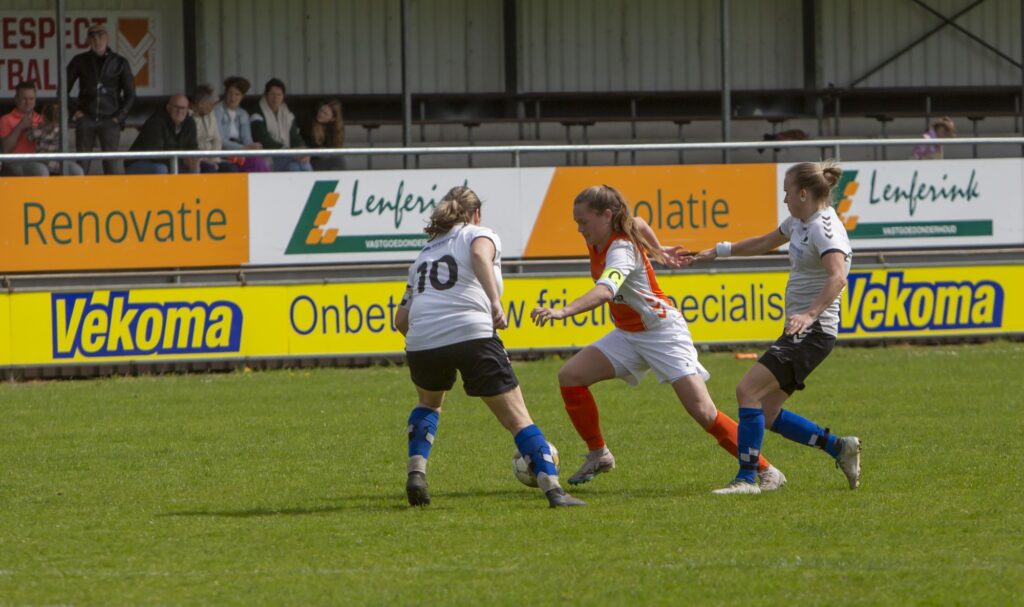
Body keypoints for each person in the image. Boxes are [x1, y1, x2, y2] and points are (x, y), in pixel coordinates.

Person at [529, 185, 786, 491]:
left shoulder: (621, 249)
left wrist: (564, 311)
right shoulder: (611, 232)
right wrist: (660, 249)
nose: (578, 228)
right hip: (629, 334)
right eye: (576, 221)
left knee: (704, 413)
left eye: (583, 221)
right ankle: (599, 454)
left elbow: (605, 291)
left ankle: (767, 471)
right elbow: (639, 222)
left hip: (662, 333)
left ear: (607, 216)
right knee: (570, 376)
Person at [394, 186, 585, 509]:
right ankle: (554, 490)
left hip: (422, 339)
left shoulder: (424, 254)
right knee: (518, 418)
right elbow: (480, 256)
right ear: (476, 214)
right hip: (471, 331)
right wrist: (495, 303)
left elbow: (401, 320)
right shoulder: (479, 234)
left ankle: (416, 472)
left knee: (429, 403)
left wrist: (429, 337)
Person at [682, 160, 861, 495]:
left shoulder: (825, 227)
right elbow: (763, 242)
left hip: (813, 331)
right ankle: (838, 447)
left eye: (787, 193)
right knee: (766, 409)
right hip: (805, 332)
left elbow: (838, 277)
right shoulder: (799, 221)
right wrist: (717, 251)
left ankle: (748, 479)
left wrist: (809, 315)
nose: (785, 200)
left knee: (746, 391)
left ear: (804, 193)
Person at [66, 22, 136, 174]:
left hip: (110, 118)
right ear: (88, 40)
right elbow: (62, 90)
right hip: (86, 116)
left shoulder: (120, 62)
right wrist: (76, 112)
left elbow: (131, 94)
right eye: (92, 36)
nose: (97, 40)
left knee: (111, 164)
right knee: (82, 163)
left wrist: (119, 118)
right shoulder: (80, 60)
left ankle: (112, 196)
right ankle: (80, 195)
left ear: (107, 38)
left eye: (100, 35)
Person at [250, 78, 312, 172]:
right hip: (268, 157)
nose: (275, 99)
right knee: (301, 165)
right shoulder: (257, 113)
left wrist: (303, 151)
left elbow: (295, 137)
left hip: (286, 156)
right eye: (272, 94)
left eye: (279, 95)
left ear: (283, 97)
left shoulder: (287, 113)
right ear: (266, 95)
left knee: (297, 166)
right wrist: (288, 152)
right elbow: (263, 139)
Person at [126, 95, 198, 174]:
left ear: (187, 109)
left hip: (173, 161)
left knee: (199, 167)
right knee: (161, 168)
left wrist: (193, 160)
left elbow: (193, 147)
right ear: (168, 108)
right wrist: (182, 160)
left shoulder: (190, 123)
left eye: (183, 108)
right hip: (140, 162)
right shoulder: (156, 122)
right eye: (176, 107)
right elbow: (155, 155)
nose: (179, 111)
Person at [213, 76, 268, 172]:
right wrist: (244, 148)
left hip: (240, 152)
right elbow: (221, 141)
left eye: (237, 94)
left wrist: (253, 146)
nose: (233, 98)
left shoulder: (243, 114)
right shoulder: (218, 110)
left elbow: (247, 139)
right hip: (223, 152)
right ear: (225, 93)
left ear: (242, 96)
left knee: (259, 161)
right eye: (230, 93)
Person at [0, 81, 48, 176]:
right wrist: (21, 126)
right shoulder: (6, 119)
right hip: (15, 162)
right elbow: (5, 149)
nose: (28, 102)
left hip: (41, 159)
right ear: (16, 100)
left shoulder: (42, 119)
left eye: (31, 99)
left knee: (75, 170)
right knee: (41, 170)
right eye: (24, 99)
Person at [190, 84, 240, 174]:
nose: (213, 107)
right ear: (201, 104)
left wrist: (214, 159)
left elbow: (217, 139)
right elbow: (190, 145)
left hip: (214, 158)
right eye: (211, 104)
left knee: (231, 169)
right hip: (197, 160)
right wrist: (205, 160)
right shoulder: (188, 117)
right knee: (210, 170)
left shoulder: (211, 114)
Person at [26, 103, 85, 176]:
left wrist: (30, 125)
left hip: (51, 164)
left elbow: (30, 135)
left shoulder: (46, 131)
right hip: (49, 165)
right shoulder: (60, 130)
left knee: (76, 170)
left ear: (44, 117)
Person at [301, 99, 345, 170]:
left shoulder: (336, 130)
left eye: (325, 113)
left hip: (326, 157)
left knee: (338, 158)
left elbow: (334, 147)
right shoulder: (309, 121)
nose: (321, 114)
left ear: (333, 119)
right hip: (312, 157)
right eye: (321, 110)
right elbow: (308, 144)